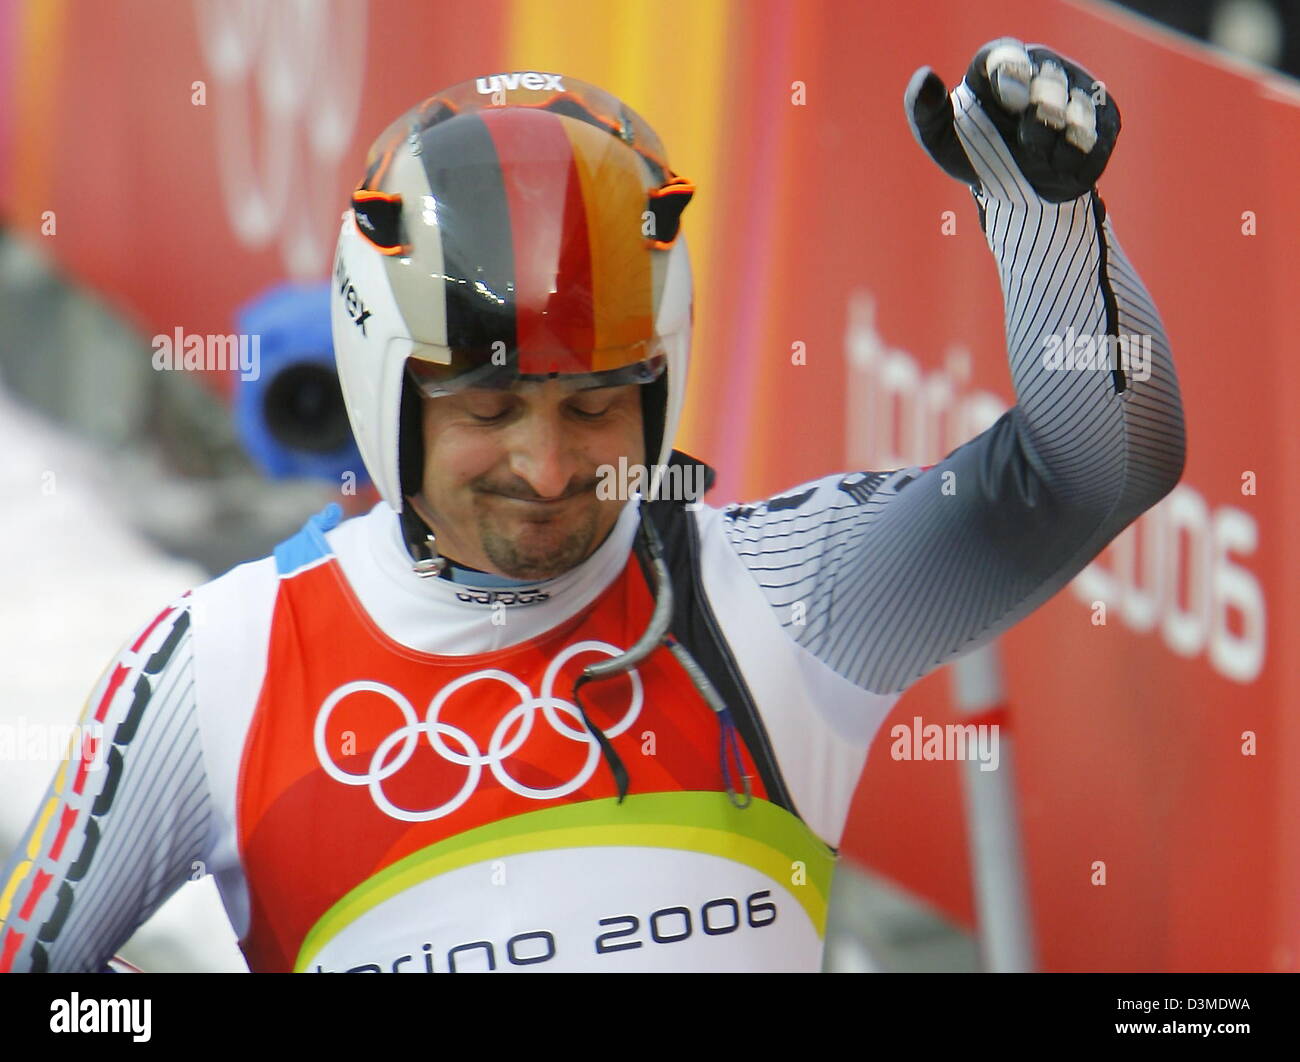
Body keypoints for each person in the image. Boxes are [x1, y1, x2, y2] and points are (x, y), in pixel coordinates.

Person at [0, 41, 1184, 973]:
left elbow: (1095, 472)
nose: (550, 468)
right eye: (490, 407)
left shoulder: (778, 592)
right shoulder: (220, 665)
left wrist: (1046, 224)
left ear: (660, 385)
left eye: (593, 407)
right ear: (383, 386)